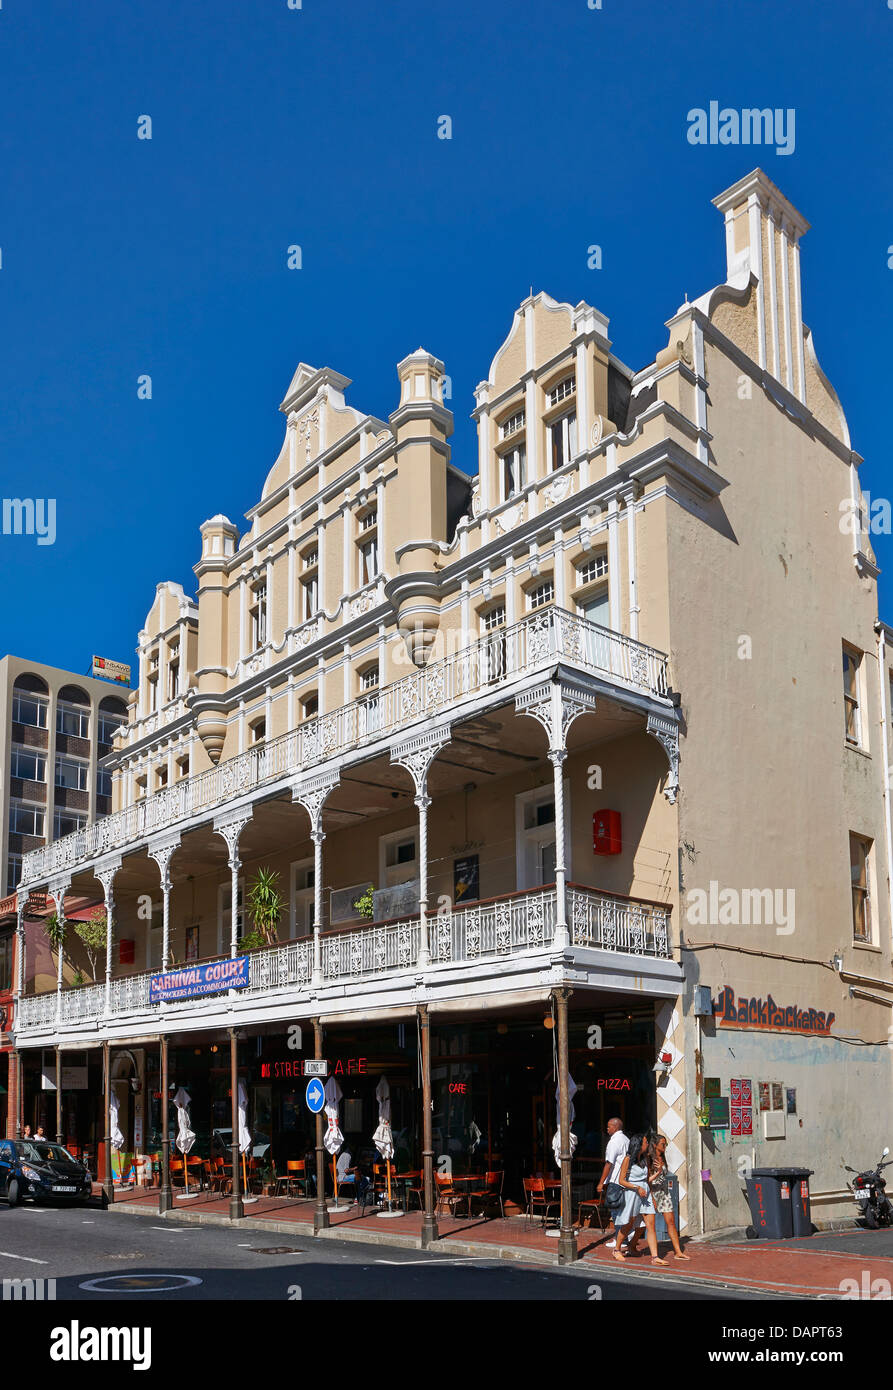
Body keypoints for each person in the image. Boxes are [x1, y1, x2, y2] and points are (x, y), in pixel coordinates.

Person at [611, 1132, 666, 1264]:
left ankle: (655, 1257)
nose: (647, 1144)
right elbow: (621, 1180)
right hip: (632, 1194)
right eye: (645, 1142)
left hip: (645, 1194)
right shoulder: (627, 1159)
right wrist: (636, 1188)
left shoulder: (645, 1159)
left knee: (650, 1225)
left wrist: (658, 1172)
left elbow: (646, 1180)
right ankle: (617, 1250)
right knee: (628, 1224)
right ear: (639, 1145)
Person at [642, 1133, 689, 1260]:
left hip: (664, 1193)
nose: (665, 1146)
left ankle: (678, 1251)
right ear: (655, 1145)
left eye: (665, 1144)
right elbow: (646, 1181)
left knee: (671, 1222)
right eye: (663, 1144)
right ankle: (631, 1244)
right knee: (644, 1225)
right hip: (652, 1192)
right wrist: (652, 1197)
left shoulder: (662, 1157)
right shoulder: (648, 1159)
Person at [597, 1117, 629, 1250]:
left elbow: (609, 1163)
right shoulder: (626, 1140)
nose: (607, 1128)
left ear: (615, 1127)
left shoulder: (614, 1142)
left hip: (616, 1181)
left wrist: (601, 1182)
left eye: (609, 1126)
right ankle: (624, 1238)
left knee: (615, 1211)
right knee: (623, 1210)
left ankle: (619, 1240)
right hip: (625, 1180)